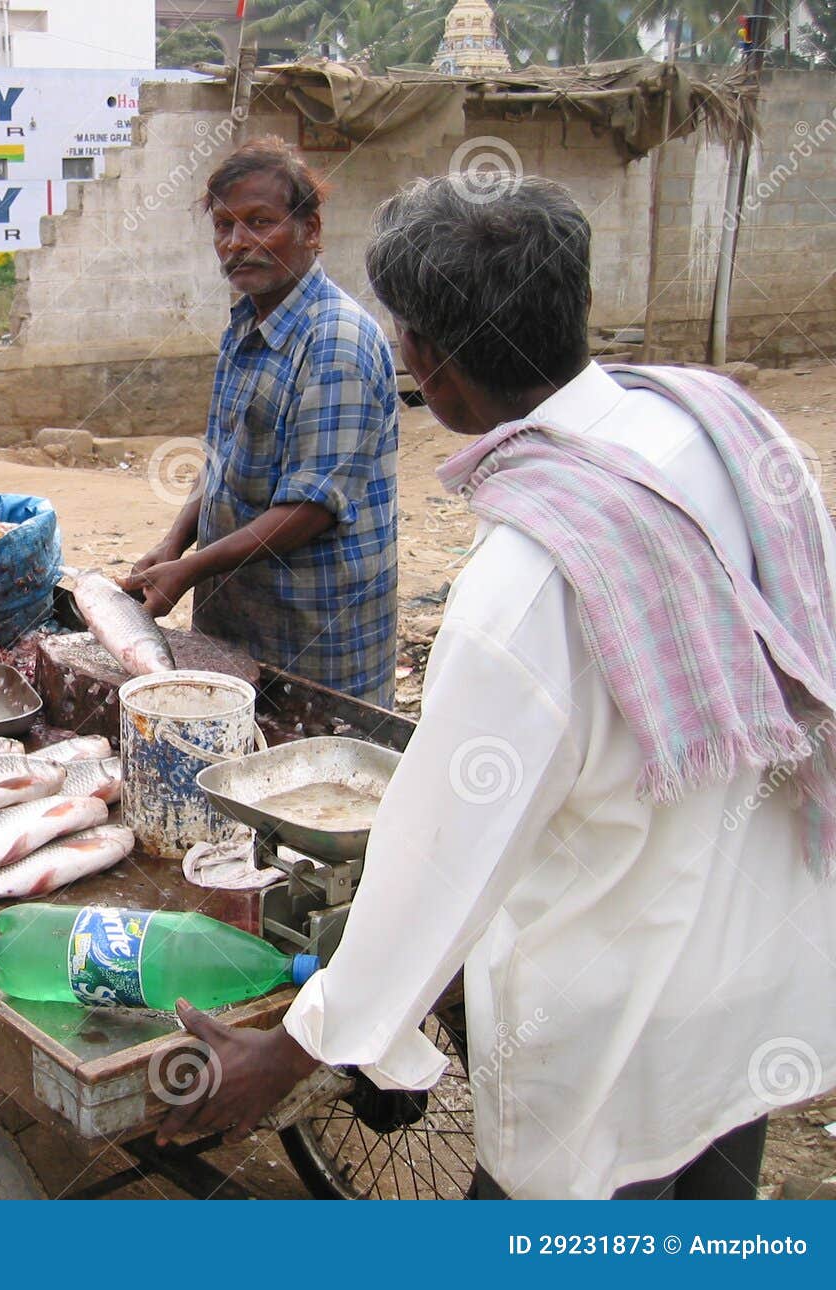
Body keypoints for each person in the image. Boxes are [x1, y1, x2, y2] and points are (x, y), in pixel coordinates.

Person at [155, 176, 836, 1199]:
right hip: (749, 975)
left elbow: (441, 862)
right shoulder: (731, 433)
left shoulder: (524, 584)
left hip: (612, 1028)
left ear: (426, 360)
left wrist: (292, 1051)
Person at [122, 137, 399, 706]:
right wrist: (174, 545)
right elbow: (222, 461)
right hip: (234, 623)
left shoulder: (335, 342)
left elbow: (310, 508)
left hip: (315, 640)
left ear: (310, 230)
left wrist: (191, 569)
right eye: (224, 225)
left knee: (313, 755)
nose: (237, 242)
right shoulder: (247, 325)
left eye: (260, 222)